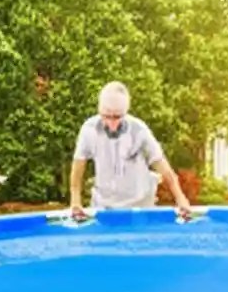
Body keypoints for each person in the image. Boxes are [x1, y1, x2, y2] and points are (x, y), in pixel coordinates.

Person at [69, 81, 192, 219]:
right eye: (107, 116)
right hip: (104, 208)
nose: (112, 125)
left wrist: (181, 198)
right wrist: (75, 201)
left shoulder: (139, 131)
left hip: (140, 208)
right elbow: (77, 168)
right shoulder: (89, 130)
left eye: (117, 117)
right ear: (99, 109)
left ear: (126, 112)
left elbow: (164, 168)